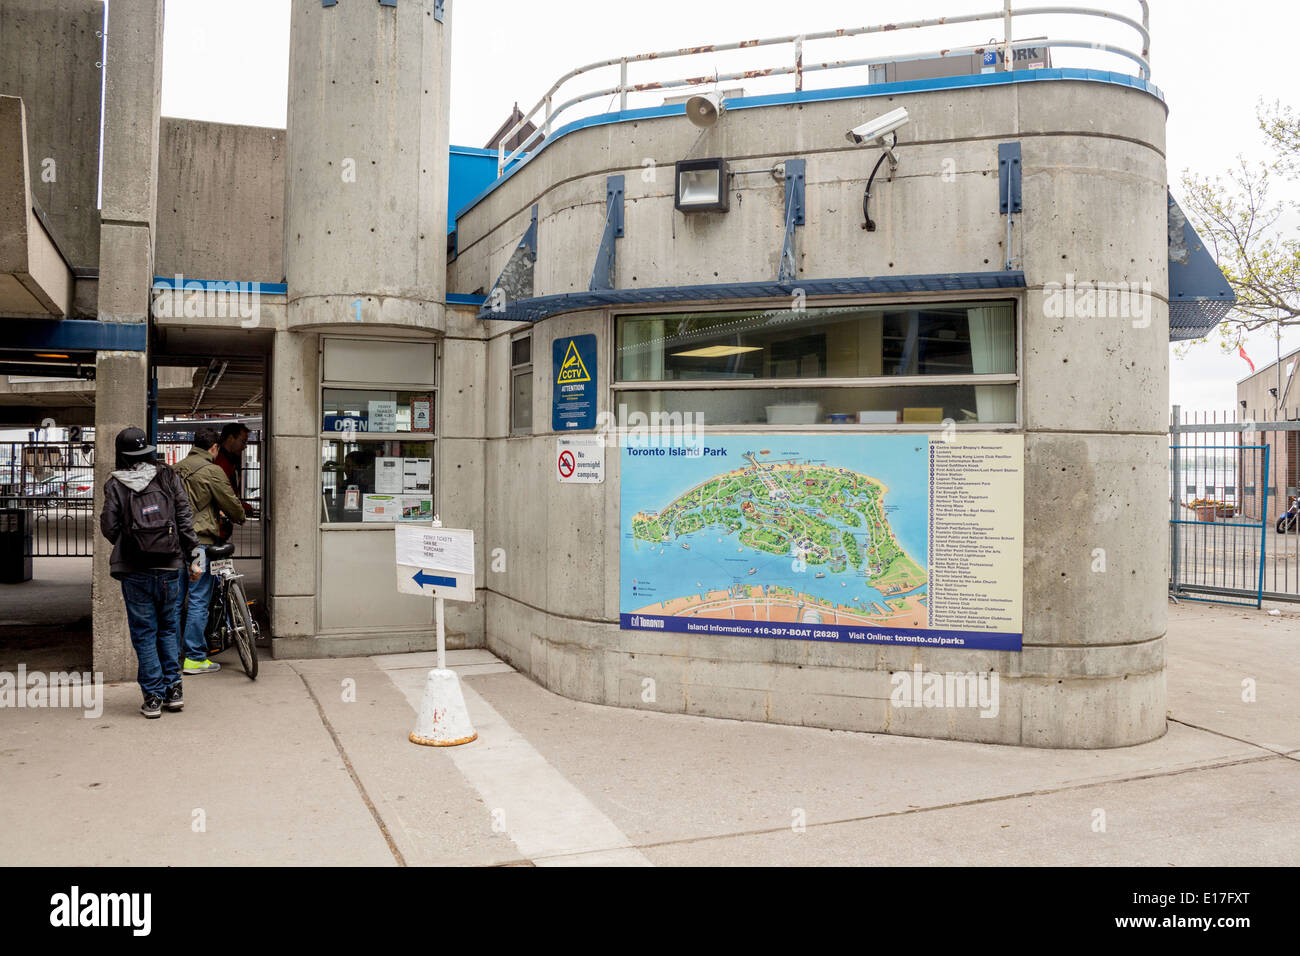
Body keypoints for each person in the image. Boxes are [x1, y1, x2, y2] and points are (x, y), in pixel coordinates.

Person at [99, 427, 202, 718]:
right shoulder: (168, 476)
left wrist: (133, 543)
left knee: (145, 633)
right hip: (170, 565)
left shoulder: (116, 484)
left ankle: (153, 697)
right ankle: (174, 690)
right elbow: (184, 517)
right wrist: (193, 555)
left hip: (134, 569)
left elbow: (109, 526)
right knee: (169, 628)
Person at [174, 426, 246, 674]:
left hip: (174, 545)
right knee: (198, 600)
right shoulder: (212, 470)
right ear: (214, 448)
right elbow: (231, 503)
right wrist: (240, 516)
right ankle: (194, 657)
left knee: (174, 602)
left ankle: (172, 656)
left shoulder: (174, 470)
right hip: (199, 543)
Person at [214, 422, 250, 539]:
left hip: (219, 527)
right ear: (230, 438)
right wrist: (245, 509)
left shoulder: (227, 461)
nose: (245, 446)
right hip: (217, 529)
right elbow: (225, 497)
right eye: (243, 441)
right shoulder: (222, 463)